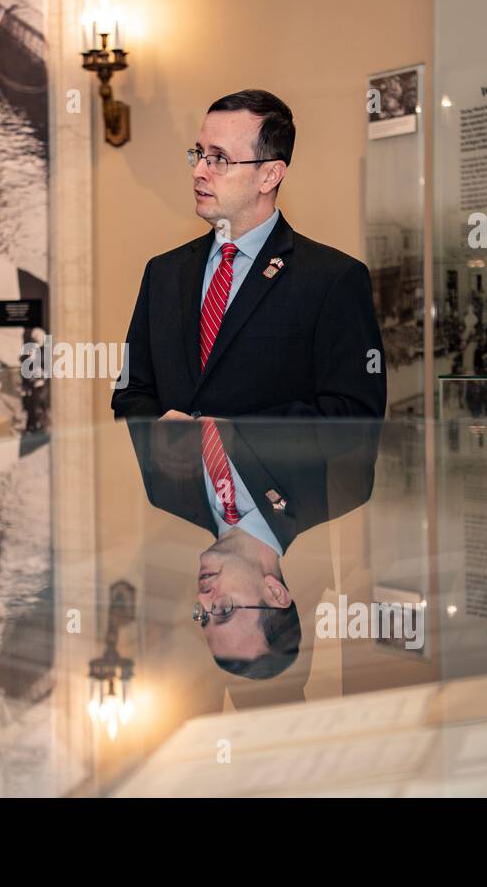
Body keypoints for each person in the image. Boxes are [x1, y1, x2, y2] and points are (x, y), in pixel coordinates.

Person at [111, 89, 387, 421]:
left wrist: (240, 437)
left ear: (270, 175)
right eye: (198, 154)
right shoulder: (163, 273)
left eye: (219, 159)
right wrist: (158, 429)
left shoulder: (333, 279)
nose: (199, 171)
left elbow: (354, 414)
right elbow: (131, 392)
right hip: (178, 474)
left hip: (270, 474)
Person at [128, 415, 380, 679]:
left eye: (203, 617)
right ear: (274, 592)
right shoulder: (345, 484)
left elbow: (137, 385)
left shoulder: (163, 491)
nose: (202, 599)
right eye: (224, 610)